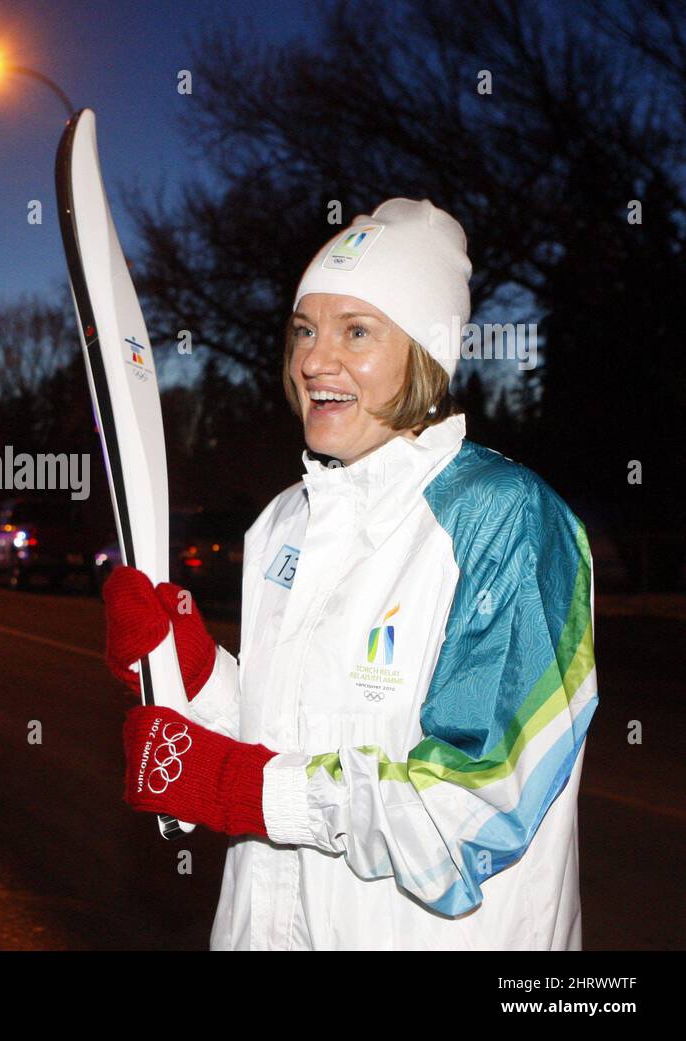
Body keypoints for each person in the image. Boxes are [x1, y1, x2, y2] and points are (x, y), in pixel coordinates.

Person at [103, 198, 597, 951]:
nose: (313, 360)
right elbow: (276, 735)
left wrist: (237, 787)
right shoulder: (283, 521)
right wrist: (193, 671)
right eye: (305, 329)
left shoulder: (505, 519)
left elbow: (470, 813)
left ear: (427, 354)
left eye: (356, 331)